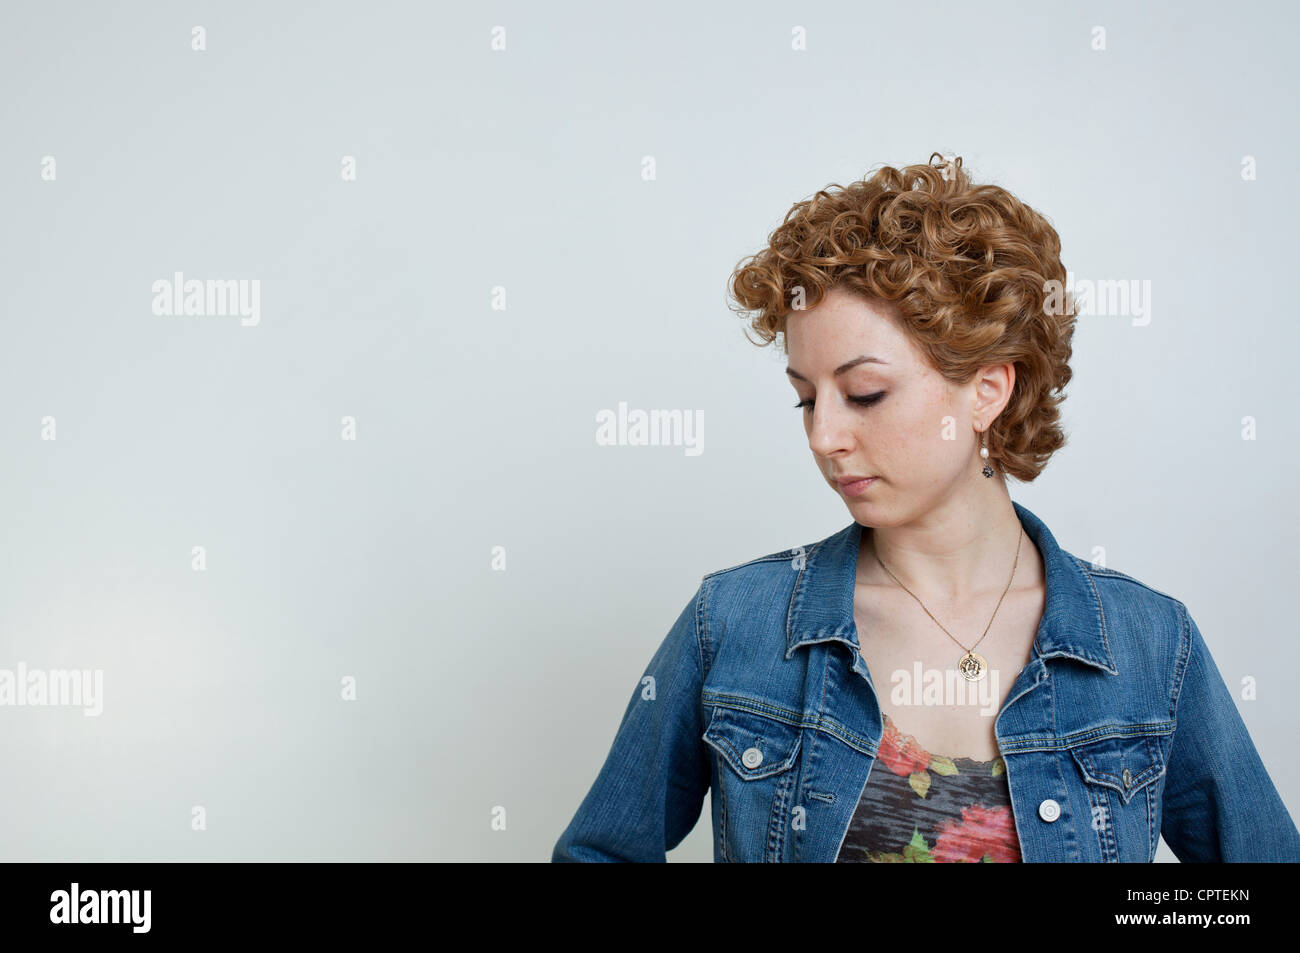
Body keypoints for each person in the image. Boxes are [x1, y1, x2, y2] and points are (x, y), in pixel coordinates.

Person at [552, 153, 1300, 862]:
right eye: (805, 398)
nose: (824, 435)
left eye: (865, 393)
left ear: (987, 389)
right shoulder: (736, 622)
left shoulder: (1147, 645)